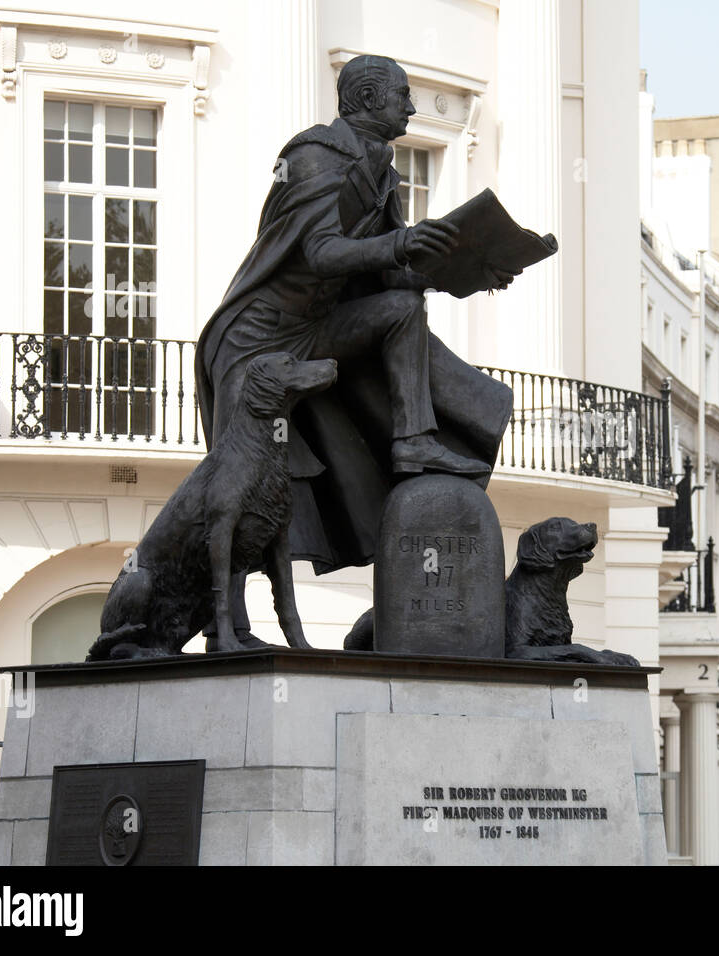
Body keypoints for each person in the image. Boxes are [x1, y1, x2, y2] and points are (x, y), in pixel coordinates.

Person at [194, 54, 518, 650]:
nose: (412, 108)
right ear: (368, 98)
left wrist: (469, 269)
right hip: (255, 341)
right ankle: (227, 631)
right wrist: (401, 244)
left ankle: (414, 439)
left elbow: (389, 277)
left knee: (402, 310)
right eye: (402, 96)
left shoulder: (381, 166)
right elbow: (320, 253)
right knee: (244, 484)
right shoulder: (313, 157)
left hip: (313, 327)